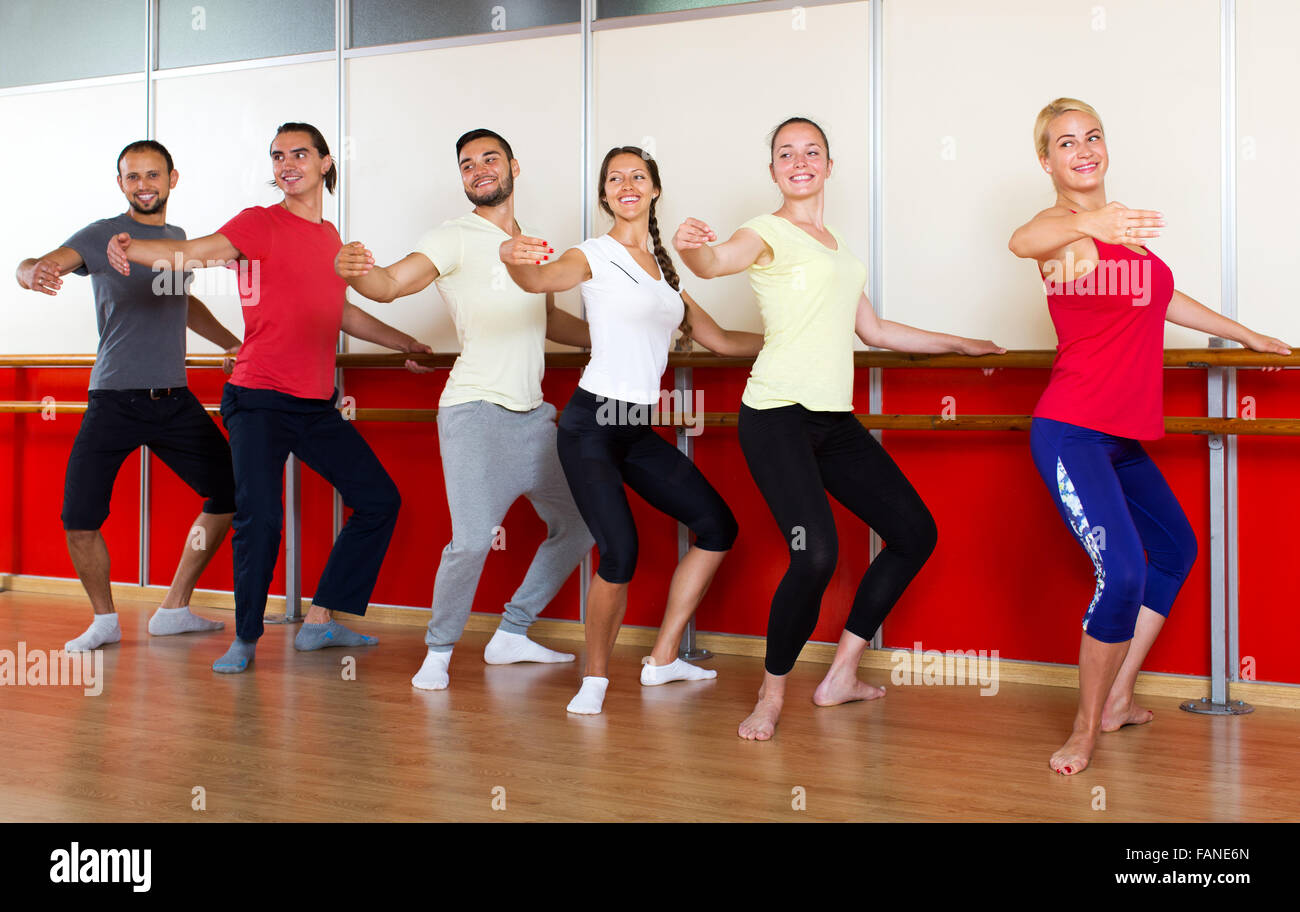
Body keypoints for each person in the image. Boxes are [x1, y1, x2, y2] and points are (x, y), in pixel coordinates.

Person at [676, 117, 1004, 741]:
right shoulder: (763, 232)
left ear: (829, 165)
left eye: (811, 151)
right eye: (785, 153)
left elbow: (875, 332)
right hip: (775, 417)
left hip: (833, 421)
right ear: (772, 170)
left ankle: (841, 674)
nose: (799, 161)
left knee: (915, 533)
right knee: (816, 555)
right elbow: (715, 262)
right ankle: (771, 696)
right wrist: (692, 245)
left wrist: (960, 343)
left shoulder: (840, 250)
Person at [1008, 98, 1289, 774]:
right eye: (1066, 143)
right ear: (1045, 160)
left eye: (1093, 137)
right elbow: (1019, 243)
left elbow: (1159, 298)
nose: (1084, 151)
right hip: (1072, 431)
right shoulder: (1060, 229)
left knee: (1174, 550)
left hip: (1121, 437)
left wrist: (1246, 334)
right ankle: (1084, 729)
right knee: (1124, 570)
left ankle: (1118, 698)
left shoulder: (1123, 231)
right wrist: (1093, 221)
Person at [107, 122, 433, 674]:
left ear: (325, 163)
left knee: (379, 499)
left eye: (300, 154)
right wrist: (131, 246)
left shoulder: (331, 238)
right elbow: (191, 253)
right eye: (278, 155)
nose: (288, 163)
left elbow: (341, 311)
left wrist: (402, 341)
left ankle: (321, 619)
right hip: (257, 399)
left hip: (314, 404)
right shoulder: (259, 223)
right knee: (260, 518)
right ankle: (248, 639)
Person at [501, 146, 763, 715]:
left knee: (717, 526)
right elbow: (536, 280)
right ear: (604, 195)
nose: (627, 184)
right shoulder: (591, 255)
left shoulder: (668, 275)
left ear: (654, 190)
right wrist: (512, 256)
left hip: (634, 425)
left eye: (637, 176)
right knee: (620, 552)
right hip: (591, 422)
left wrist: (791, 340)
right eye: (615, 178)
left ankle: (663, 658)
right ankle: (594, 681)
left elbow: (719, 339)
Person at [334, 128, 594, 691]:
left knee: (579, 524)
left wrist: (609, 338)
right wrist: (359, 270)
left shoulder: (534, 241)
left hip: (535, 417)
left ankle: (512, 635)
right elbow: (388, 286)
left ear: (513, 167)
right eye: (467, 164)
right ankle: (439, 651)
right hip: (474, 410)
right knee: (473, 540)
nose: (478, 169)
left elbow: (548, 321)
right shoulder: (451, 238)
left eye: (489, 159)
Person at [15, 139, 240, 652]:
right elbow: (41, 261)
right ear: (121, 184)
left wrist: (232, 343)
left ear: (172, 179)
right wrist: (31, 271)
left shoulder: (179, 238)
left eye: (152, 175)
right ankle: (104, 621)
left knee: (230, 494)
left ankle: (175, 607)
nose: (144, 185)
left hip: (174, 401)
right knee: (79, 519)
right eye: (133, 177)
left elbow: (182, 302)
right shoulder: (101, 235)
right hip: (113, 398)